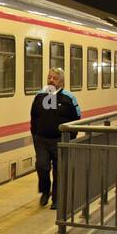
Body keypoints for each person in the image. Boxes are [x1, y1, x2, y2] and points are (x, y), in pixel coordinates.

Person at [30, 67, 81, 210]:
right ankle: (45, 191)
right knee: (42, 166)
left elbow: (76, 118)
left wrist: (70, 137)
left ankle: (57, 199)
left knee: (59, 170)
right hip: (42, 140)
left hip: (60, 139)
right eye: (49, 77)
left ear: (62, 81)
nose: (51, 80)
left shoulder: (69, 98)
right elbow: (33, 116)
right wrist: (35, 135)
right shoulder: (40, 96)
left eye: (54, 78)